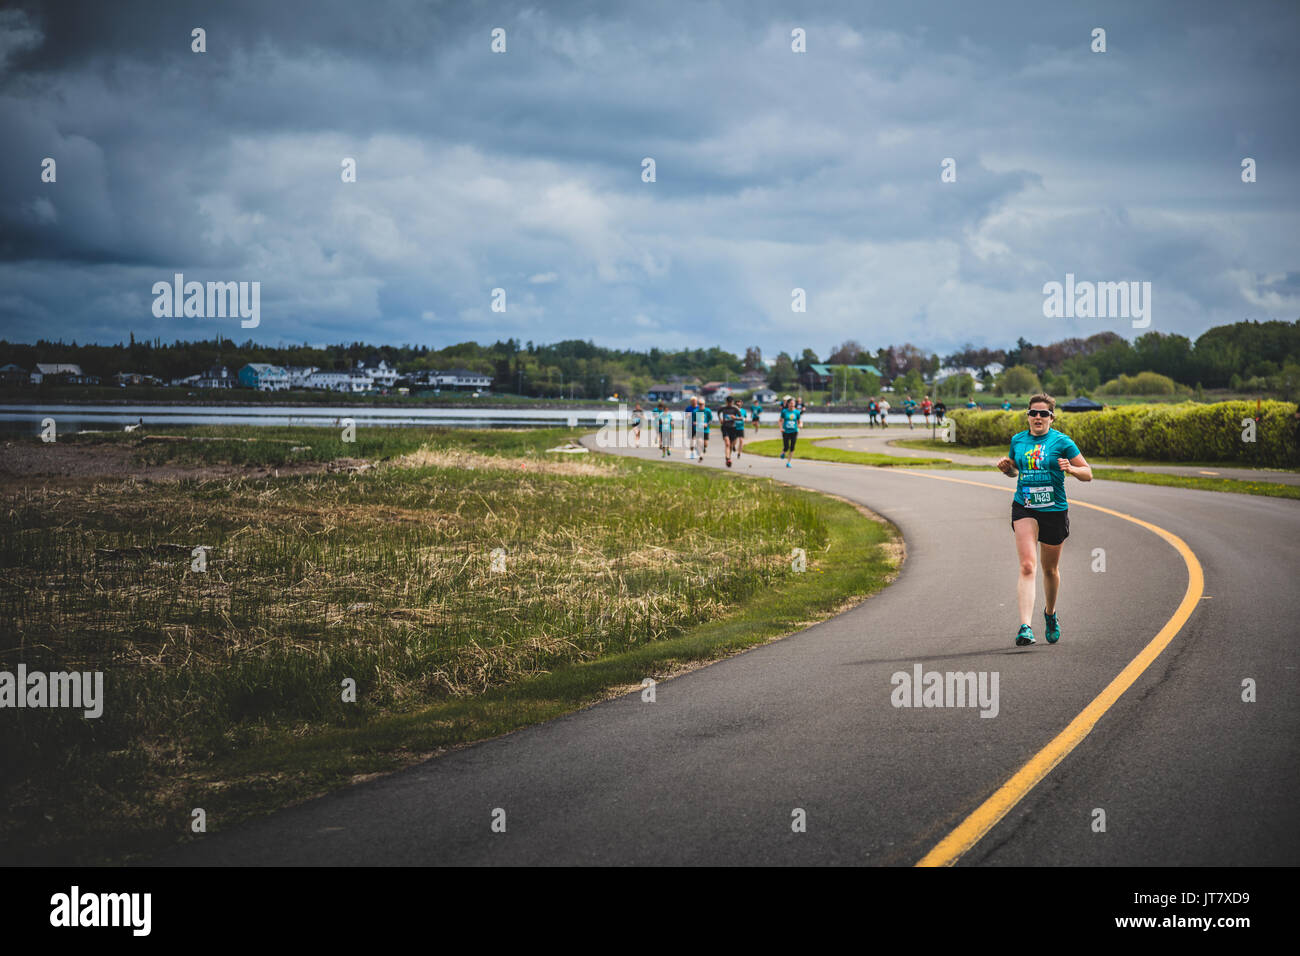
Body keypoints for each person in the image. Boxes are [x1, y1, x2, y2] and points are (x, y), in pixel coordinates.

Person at [995, 394, 1093, 647]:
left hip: (1054, 510)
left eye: (1043, 414)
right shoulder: (1018, 440)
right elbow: (1017, 470)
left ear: (1052, 417)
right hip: (1025, 506)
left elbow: (1088, 473)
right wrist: (1008, 469)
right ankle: (1025, 627)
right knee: (1028, 566)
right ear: (1027, 415)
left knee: (1049, 569)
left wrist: (1071, 469)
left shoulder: (1062, 441)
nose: (1038, 417)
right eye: (1033, 413)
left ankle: (1050, 614)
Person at [718, 396, 744, 467]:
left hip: (732, 428)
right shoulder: (722, 408)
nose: (729, 404)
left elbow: (741, 418)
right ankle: (727, 459)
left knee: (731, 445)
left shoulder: (735, 408)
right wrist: (720, 419)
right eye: (728, 403)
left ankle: (729, 456)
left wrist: (735, 418)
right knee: (727, 443)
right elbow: (718, 412)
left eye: (731, 403)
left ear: (732, 402)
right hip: (725, 427)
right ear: (726, 402)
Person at [779, 396, 800, 466]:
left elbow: (799, 421)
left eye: (793, 403)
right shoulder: (784, 412)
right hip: (786, 431)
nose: (792, 405)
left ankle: (789, 462)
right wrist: (781, 428)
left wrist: (800, 425)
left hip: (794, 431)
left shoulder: (797, 412)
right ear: (788, 404)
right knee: (786, 446)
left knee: (792, 447)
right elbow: (780, 421)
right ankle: (783, 452)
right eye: (790, 403)